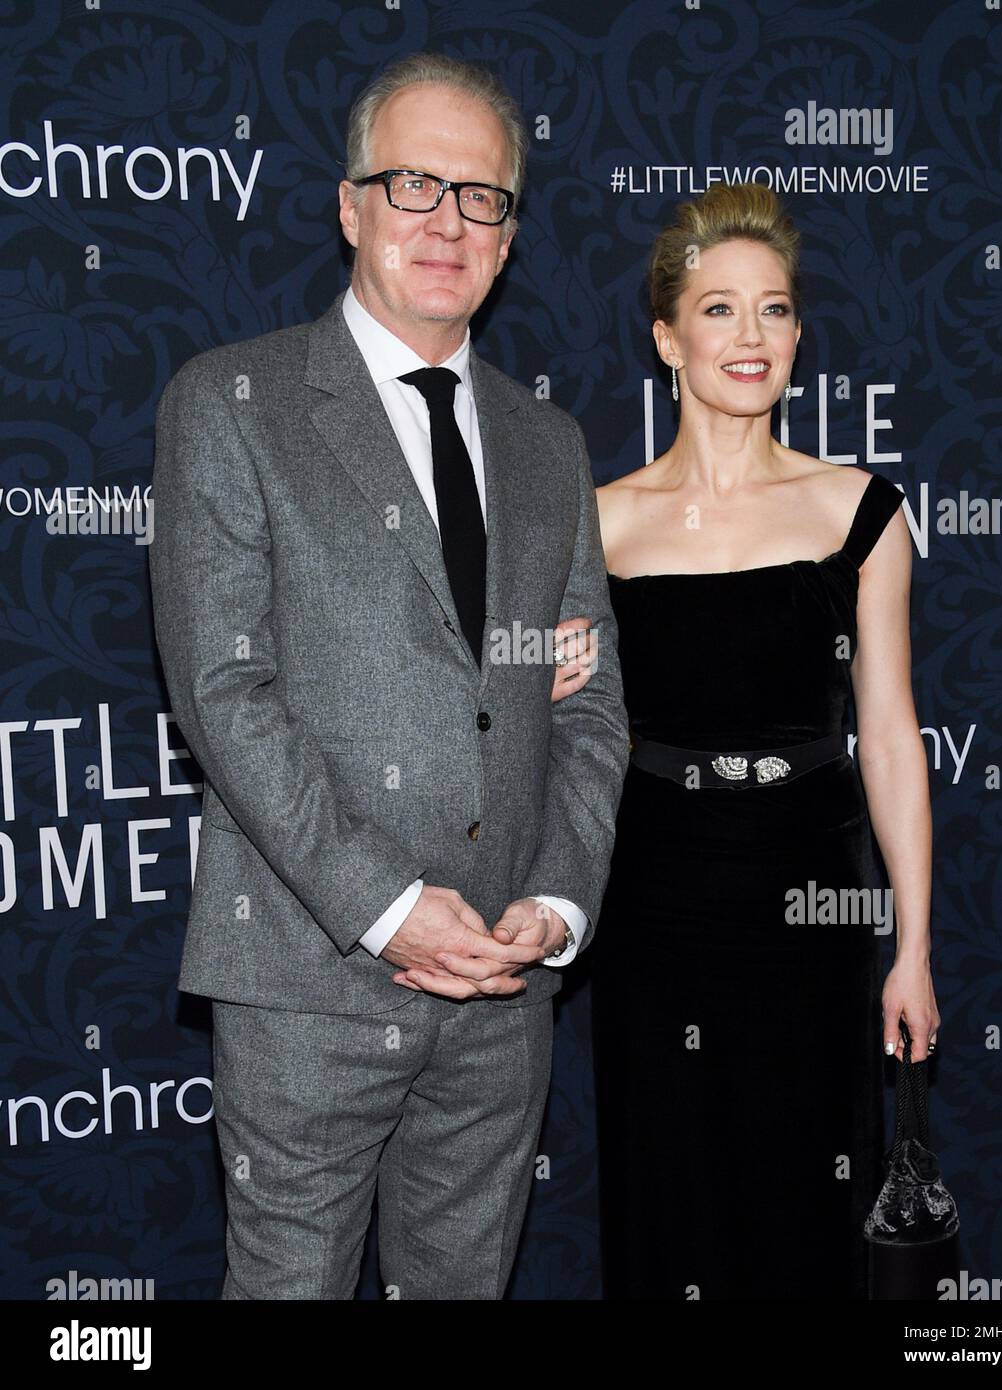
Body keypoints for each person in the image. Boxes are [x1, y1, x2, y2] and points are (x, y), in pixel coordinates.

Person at [148, 51, 629, 1300]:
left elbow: (590, 713)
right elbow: (224, 696)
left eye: (482, 199)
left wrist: (558, 905)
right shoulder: (232, 404)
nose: (446, 223)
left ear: (511, 239)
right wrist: (388, 904)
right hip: (310, 977)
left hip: (504, 992)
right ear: (349, 204)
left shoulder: (549, 443)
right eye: (414, 184)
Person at [551, 182, 940, 1299]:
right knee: (671, 1197)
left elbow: (891, 734)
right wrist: (543, 681)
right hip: (655, 902)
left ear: (799, 337)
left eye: (774, 310)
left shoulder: (858, 509)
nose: (751, 336)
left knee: (808, 1204)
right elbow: (548, 718)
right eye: (718, 310)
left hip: (808, 896)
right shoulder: (600, 519)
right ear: (668, 337)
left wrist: (911, 947)